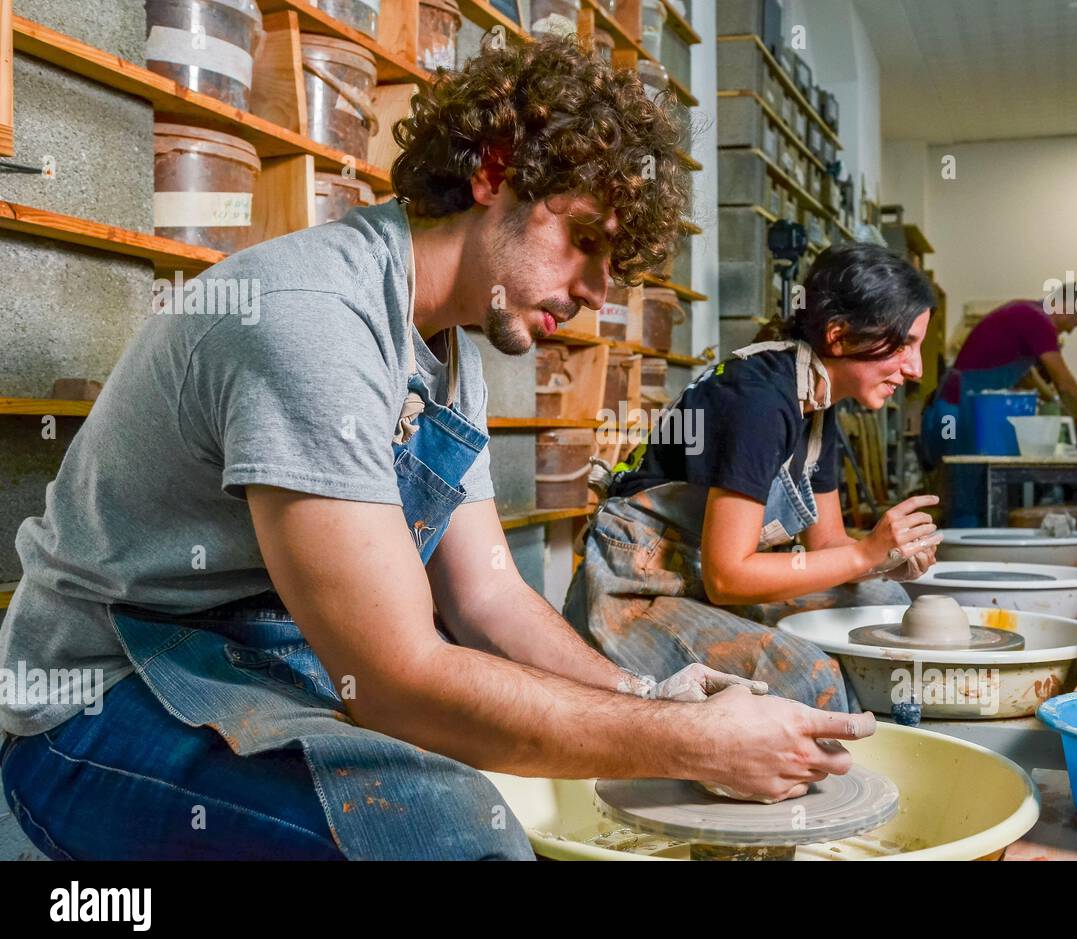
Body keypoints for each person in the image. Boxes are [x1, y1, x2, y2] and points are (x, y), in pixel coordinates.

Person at [0, 38, 874, 861]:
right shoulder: (312, 319)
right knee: (459, 834)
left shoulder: (450, 350)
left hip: (267, 669)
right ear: (496, 174)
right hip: (102, 694)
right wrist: (680, 741)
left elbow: (489, 597)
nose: (599, 293)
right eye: (587, 241)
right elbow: (391, 677)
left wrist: (651, 697)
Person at [565, 244, 942, 714]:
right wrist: (865, 553)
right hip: (637, 588)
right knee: (809, 676)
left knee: (884, 598)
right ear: (840, 336)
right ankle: (841, 775)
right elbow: (729, 576)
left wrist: (885, 560)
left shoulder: (817, 406)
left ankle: (877, 743)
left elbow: (827, 544)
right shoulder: (760, 401)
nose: (916, 369)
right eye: (904, 344)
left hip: (698, 575)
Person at [920, 291, 1077, 525]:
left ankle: (974, 546)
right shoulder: (1037, 319)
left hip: (965, 406)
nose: (1071, 330)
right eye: (1076, 322)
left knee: (974, 486)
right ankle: (962, 553)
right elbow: (1064, 382)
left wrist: (1052, 401)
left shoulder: (1027, 312)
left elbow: (1028, 375)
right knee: (964, 487)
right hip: (954, 411)